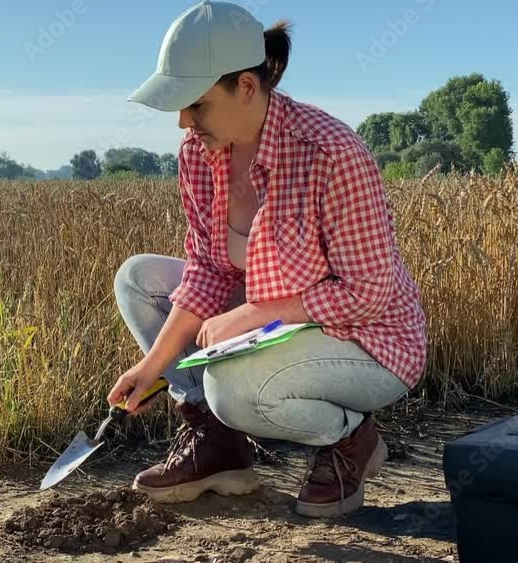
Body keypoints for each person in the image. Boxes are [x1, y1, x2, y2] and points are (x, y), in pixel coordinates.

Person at [108, 0, 428, 518]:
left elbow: (370, 294)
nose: (183, 121)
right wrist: (153, 366)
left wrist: (261, 312)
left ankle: (353, 439)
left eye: (196, 102)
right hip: (279, 320)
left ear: (248, 87)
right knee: (138, 280)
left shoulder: (330, 153)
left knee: (231, 390)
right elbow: (209, 270)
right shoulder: (198, 153)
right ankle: (218, 446)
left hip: (369, 340)